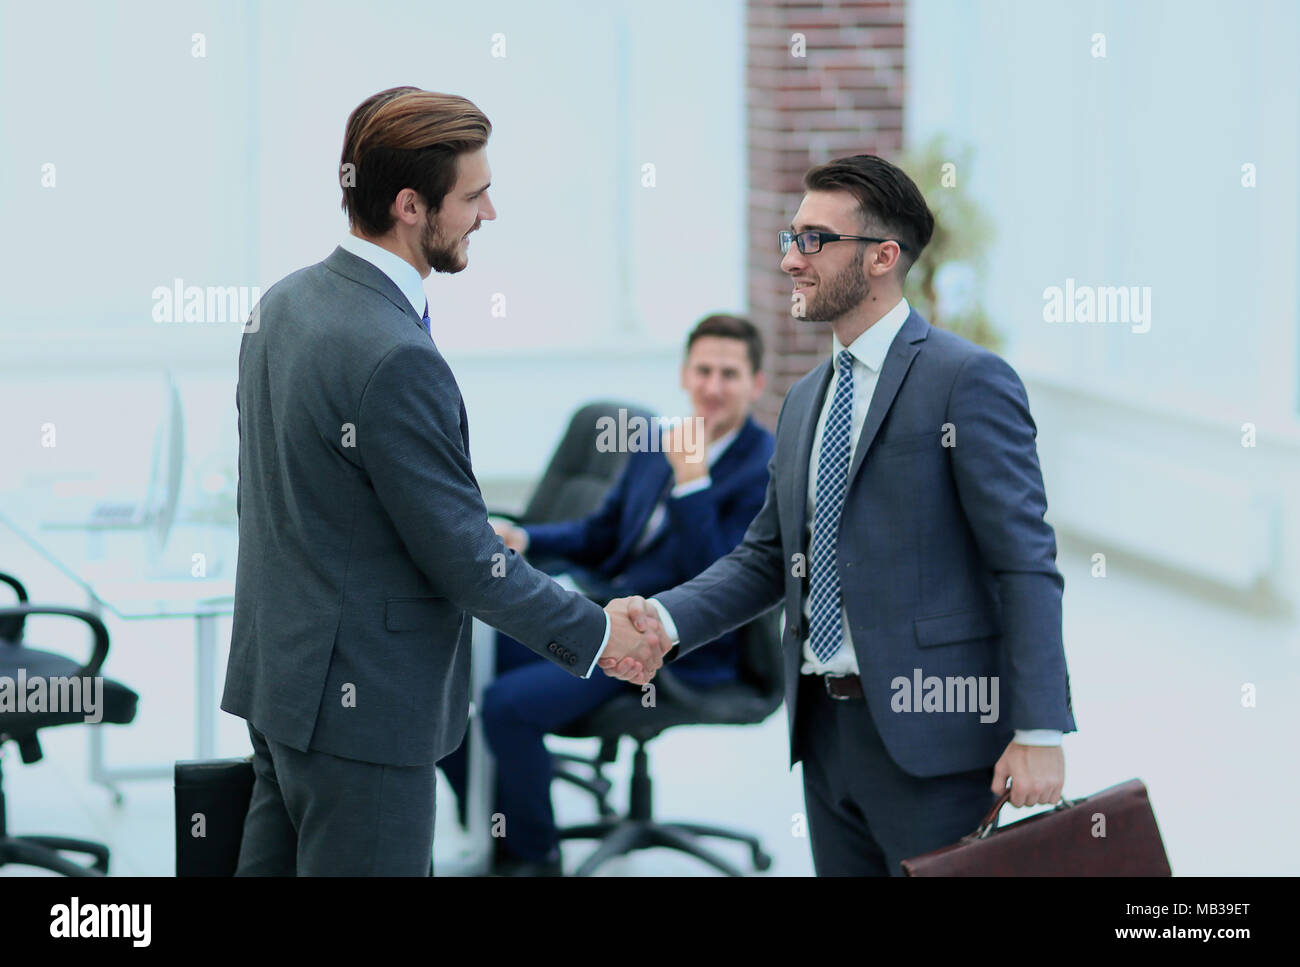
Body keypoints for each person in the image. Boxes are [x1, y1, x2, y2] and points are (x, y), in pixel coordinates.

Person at [221, 86, 666, 876]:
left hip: (282, 682)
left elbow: (288, 492)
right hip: (365, 709)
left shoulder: (282, 304)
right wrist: (598, 634)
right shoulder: (395, 354)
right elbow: (464, 561)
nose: (488, 213)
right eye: (474, 194)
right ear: (408, 205)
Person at [618, 153, 1076, 876]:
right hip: (826, 735)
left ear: (881, 258)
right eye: (790, 237)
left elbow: (1024, 560)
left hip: (936, 738)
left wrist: (1040, 728)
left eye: (813, 240)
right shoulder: (805, 399)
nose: (792, 261)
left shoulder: (968, 381)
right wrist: (666, 620)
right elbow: (768, 557)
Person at [442, 314, 775, 875]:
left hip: (677, 647)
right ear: (684, 373)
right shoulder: (658, 443)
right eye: (703, 370)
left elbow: (725, 578)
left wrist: (693, 483)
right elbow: (599, 535)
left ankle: (532, 856)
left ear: (756, 384)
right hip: (606, 616)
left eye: (730, 374)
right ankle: (501, 818)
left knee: (507, 706)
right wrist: (525, 536)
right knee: (448, 669)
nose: (713, 387)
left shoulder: (763, 466)